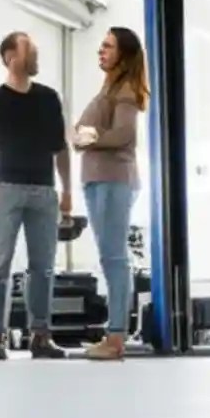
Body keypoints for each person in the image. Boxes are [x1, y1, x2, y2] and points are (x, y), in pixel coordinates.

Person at [0, 31, 71, 361]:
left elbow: (60, 148)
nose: (36, 55)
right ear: (10, 58)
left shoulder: (49, 99)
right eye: (30, 50)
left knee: (43, 268)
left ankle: (40, 336)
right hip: (5, 189)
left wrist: (67, 190)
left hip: (43, 190)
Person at [72, 26, 149, 361]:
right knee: (108, 257)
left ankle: (116, 337)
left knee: (115, 258)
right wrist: (82, 136)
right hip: (97, 178)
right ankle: (113, 333)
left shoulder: (126, 89)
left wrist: (90, 137)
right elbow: (88, 132)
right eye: (101, 45)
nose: (101, 50)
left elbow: (123, 134)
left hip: (114, 178)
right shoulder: (108, 88)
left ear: (123, 54)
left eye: (108, 46)